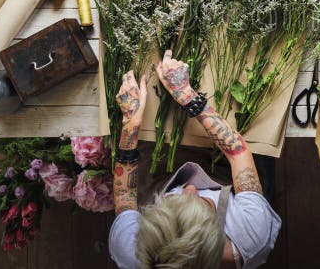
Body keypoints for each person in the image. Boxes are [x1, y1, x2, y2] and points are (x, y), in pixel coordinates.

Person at [108, 51, 281, 268]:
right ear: (218, 237)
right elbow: (238, 153)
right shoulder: (251, 234)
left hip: (155, 176)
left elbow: (125, 194)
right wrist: (187, 96)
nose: (190, 188)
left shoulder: (131, 250)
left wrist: (131, 123)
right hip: (227, 175)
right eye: (203, 203)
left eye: (171, 200)